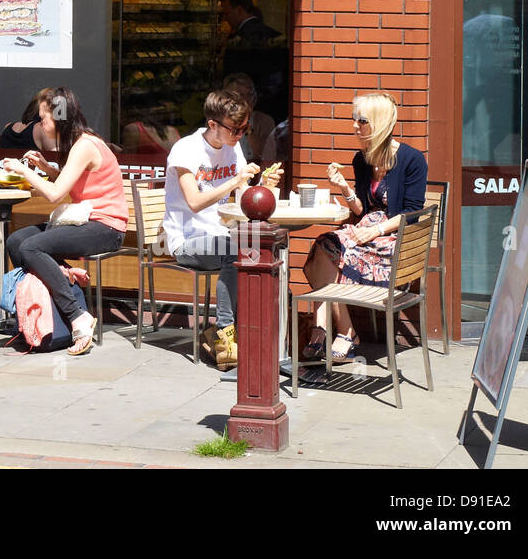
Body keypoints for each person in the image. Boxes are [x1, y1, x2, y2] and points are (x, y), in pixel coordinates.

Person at [302, 91, 428, 364]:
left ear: (380, 123)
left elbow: (413, 212)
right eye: (354, 119)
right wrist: (344, 187)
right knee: (325, 243)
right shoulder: (361, 159)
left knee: (338, 255)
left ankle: (331, 330)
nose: (354, 126)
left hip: (394, 238)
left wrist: (374, 231)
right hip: (365, 231)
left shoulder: (412, 160)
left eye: (362, 120)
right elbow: (362, 211)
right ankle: (337, 329)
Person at [162, 89, 281, 371]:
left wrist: (264, 185)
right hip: (184, 240)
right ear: (212, 124)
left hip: (221, 234)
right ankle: (226, 334)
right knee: (235, 252)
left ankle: (252, 329)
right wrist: (233, 181)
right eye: (235, 129)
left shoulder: (233, 147)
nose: (240, 135)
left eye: (245, 128)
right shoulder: (186, 150)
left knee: (262, 248)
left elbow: (243, 197)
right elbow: (194, 202)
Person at [0, 87, 125, 356]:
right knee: (16, 241)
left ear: (59, 119)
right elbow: (69, 181)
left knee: (32, 248)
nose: (41, 124)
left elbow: (55, 195)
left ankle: (77, 315)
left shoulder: (84, 145)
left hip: (106, 227)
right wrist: (46, 168)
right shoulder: (76, 143)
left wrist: (23, 170)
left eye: (44, 118)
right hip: (85, 221)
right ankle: (47, 316)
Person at [222, 73, 274, 167]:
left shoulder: (265, 121)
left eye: (250, 94)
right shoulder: (218, 122)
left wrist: (248, 130)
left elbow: (265, 154)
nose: (246, 99)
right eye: (241, 95)